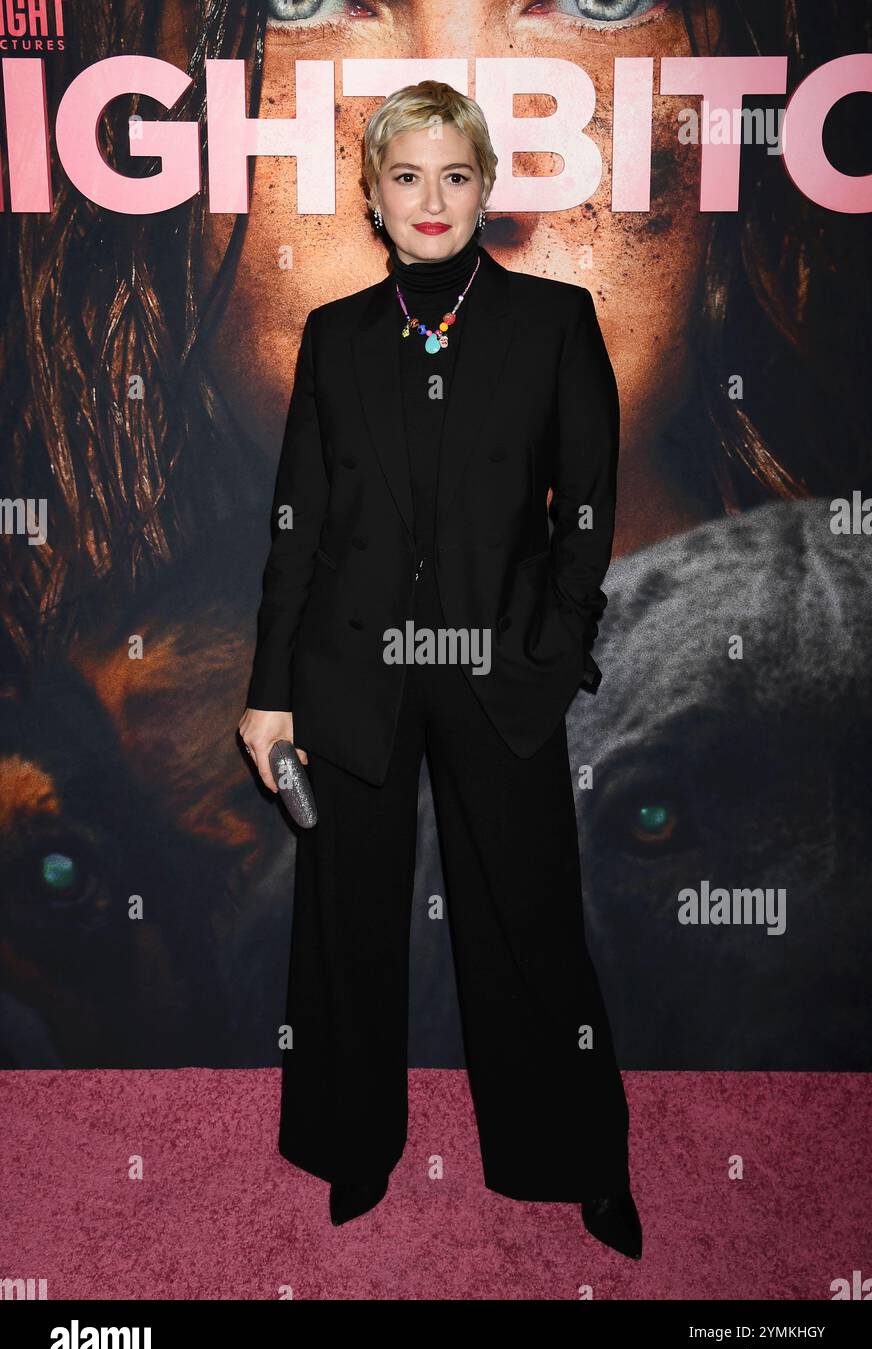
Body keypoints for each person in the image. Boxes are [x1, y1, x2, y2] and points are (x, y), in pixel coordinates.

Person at [238, 80, 642, 1259]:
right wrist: (269, 689)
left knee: (528, 922)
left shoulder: (555, 323)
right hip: (350, 674)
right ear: (371, 196)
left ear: (484, 189)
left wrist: (552, 648)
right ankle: (350, 1146)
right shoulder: (333, 336)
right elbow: (295, 526)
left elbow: (585, 511)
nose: (430, 199)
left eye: (453, 176)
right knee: (346, 922)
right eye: (405, 176)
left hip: (495, 669)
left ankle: (575, 1157)